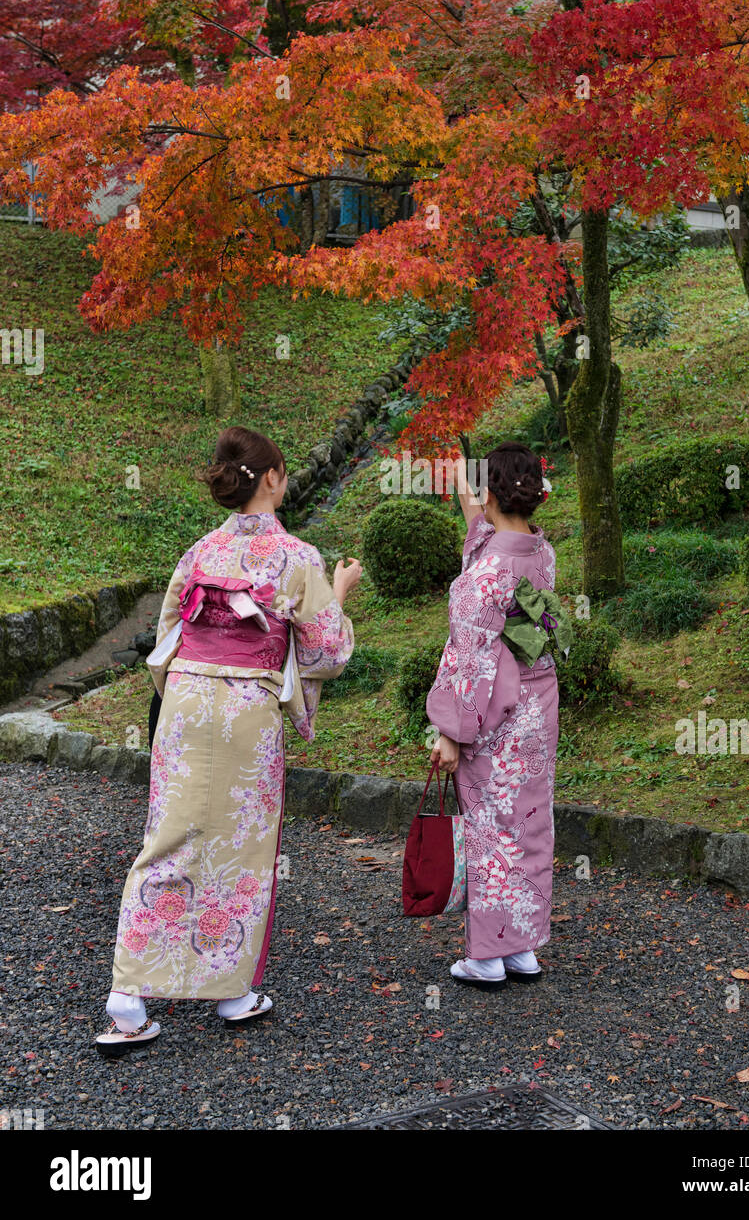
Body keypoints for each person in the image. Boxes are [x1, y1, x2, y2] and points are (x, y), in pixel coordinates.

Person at [94, 426, 360, 1055]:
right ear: (271, 477)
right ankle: (233, 992)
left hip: (187, 698)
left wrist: (188, 684)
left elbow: (167, 634)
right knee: (242, 843)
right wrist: (340, 595)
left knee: (169, 836)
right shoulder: (297, 556)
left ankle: (127, 1002)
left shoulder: (200, 552)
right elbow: (327, 650)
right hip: (246, 708)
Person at [426, 442, 559, 991]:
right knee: (527, 824)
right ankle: (521, 946)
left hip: (495, 712)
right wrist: (468, 490)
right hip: (538, 704)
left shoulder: (487, 574)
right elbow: (487, 534)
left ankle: (486, 957)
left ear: (492, 495)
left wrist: (452, 732)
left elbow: (471, 656)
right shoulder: (540, 552)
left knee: (488, 828)